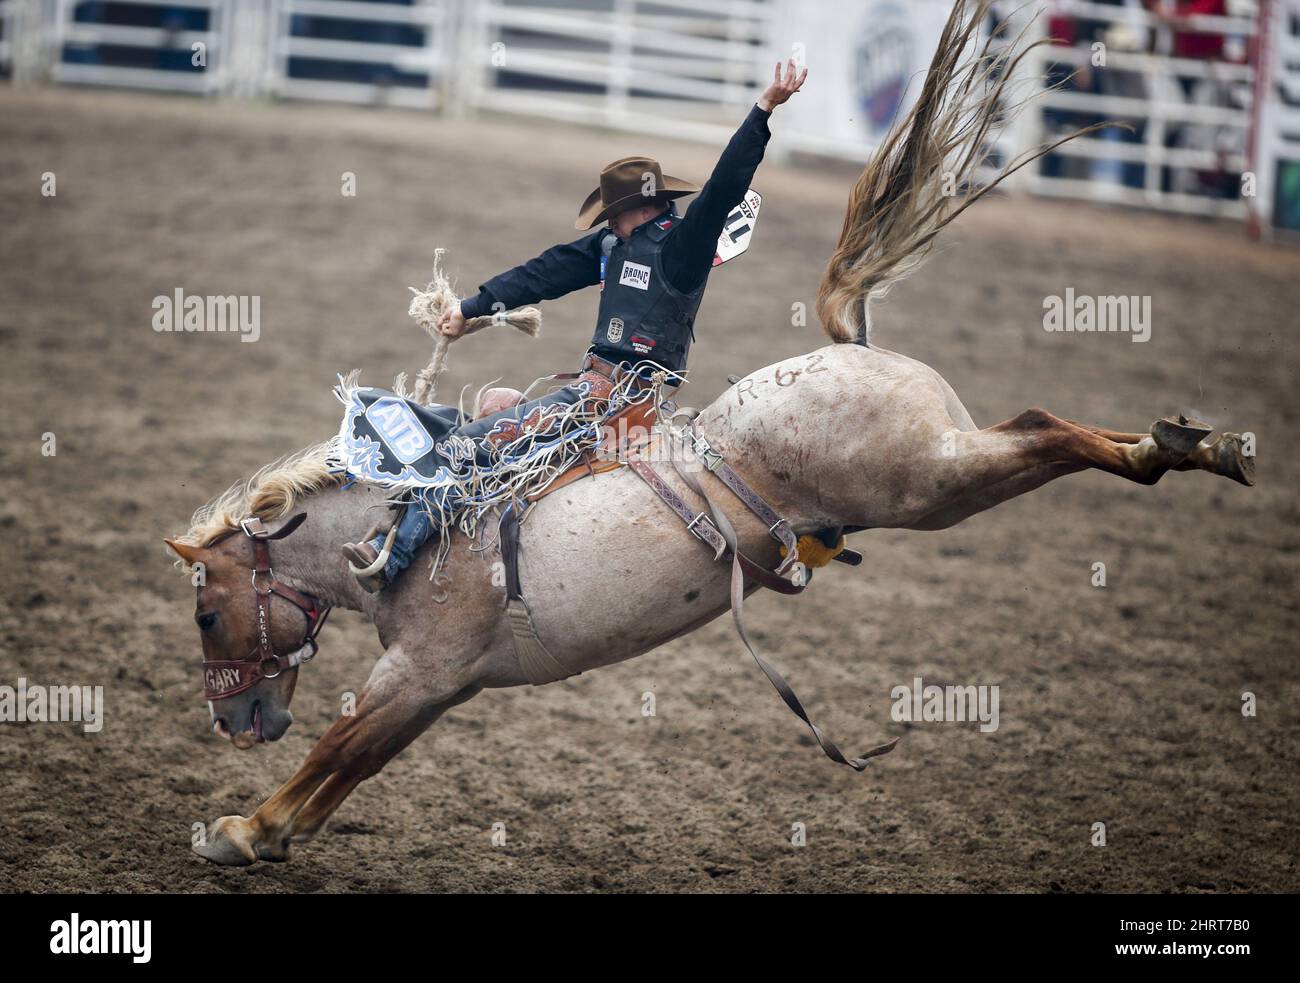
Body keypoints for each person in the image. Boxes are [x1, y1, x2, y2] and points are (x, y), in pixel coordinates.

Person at [341, 59, 809, 591]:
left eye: (615, 211)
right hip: (597, 389)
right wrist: (474, 307)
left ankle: (391, 556)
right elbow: (548, 270)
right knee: (495, 405)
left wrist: (763, 110)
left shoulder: (682, 248)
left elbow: (725, 186)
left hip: (618, 398)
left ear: (641, 206)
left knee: (470, 443)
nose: (608, 221)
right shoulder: (614, 245)